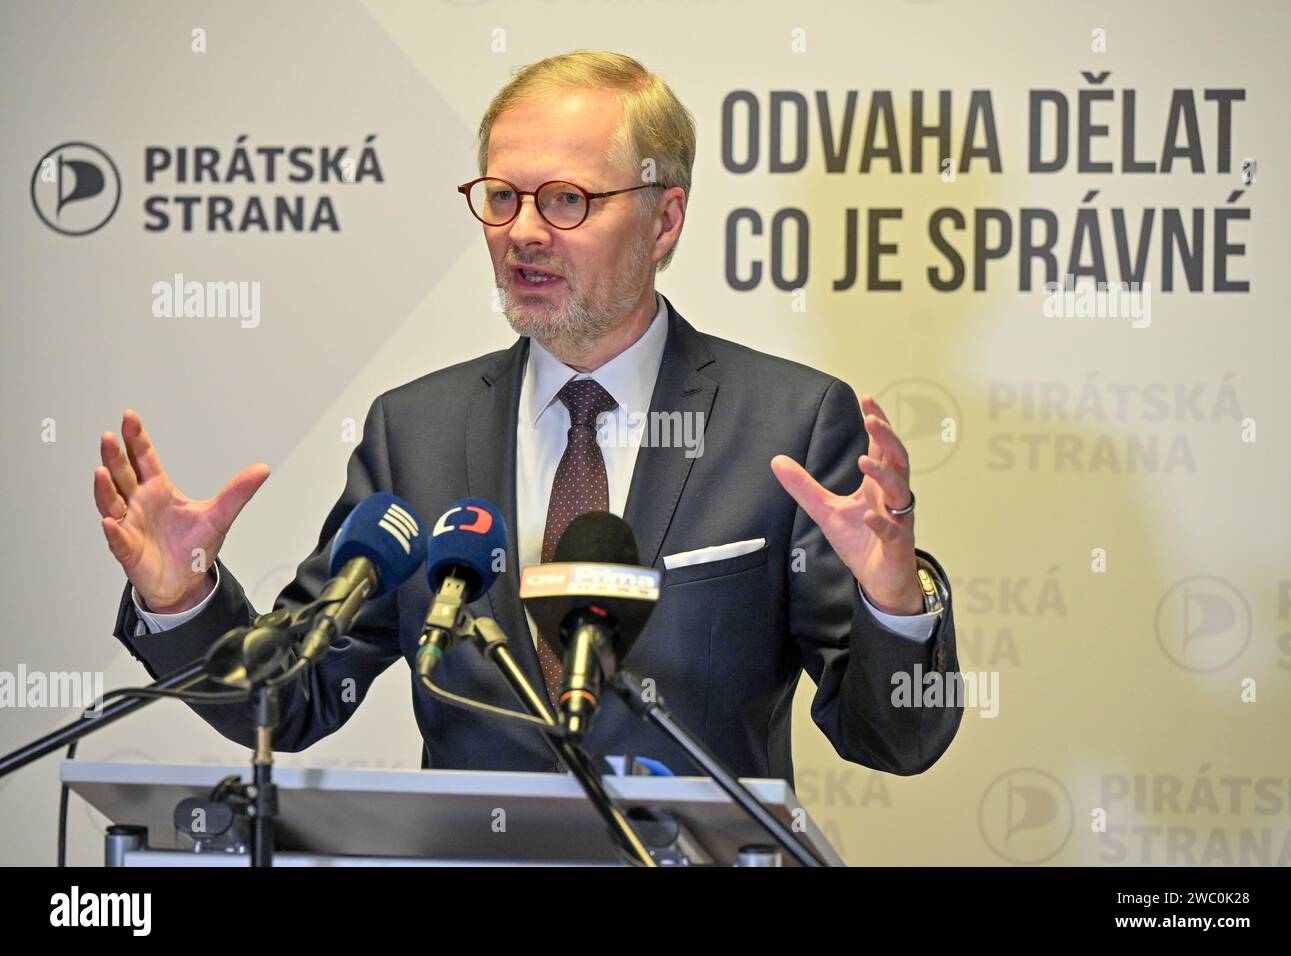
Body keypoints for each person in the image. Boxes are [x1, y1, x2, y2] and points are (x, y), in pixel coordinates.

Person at [96, 50, 962, 784]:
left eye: (565, 200)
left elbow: (896, 739)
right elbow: (291, 700)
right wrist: (182, 597)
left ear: (665, 220)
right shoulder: (414, 433)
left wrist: (894, 596)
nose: (523, 233)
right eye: (502, 198)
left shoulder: (790, 424)